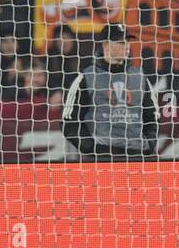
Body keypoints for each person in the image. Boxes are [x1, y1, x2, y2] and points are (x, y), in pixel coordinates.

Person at [61, 23, 160, 161]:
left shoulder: (140, 78)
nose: (126, 46)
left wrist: (148, 145)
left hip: (137, 156)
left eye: (127, 42)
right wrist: (93, 149)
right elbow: (69, 121)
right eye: (120, 42)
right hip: (100, 159)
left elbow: (153, 117)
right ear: (105, 45)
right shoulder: (86, 77)